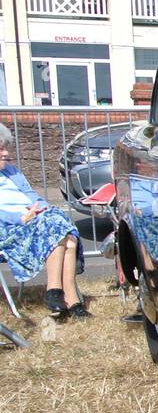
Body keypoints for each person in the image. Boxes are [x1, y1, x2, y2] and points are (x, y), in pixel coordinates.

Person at [0, 123, 87, 318]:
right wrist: (20, 218)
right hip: (9, 228)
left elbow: (34, 197)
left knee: (64, 230)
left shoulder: (12, 172)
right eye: (0, 149)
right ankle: (65, 296)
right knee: (57, 229)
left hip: (35, 221)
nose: (6, 153)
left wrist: (42, 209)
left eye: (6, 147)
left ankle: (61, 295)